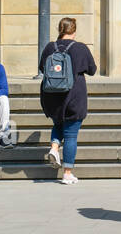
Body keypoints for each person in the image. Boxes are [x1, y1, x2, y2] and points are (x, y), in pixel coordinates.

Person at [39, 17, 97, 184]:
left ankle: (54, 148)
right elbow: (92, 70)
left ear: (60, 29)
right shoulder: (80, 48)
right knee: (71, 135)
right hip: (73, 95)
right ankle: (67, 173)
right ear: (74, 31)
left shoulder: (50, 47)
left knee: (58, 124)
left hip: (51, 94)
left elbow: (42, 67)